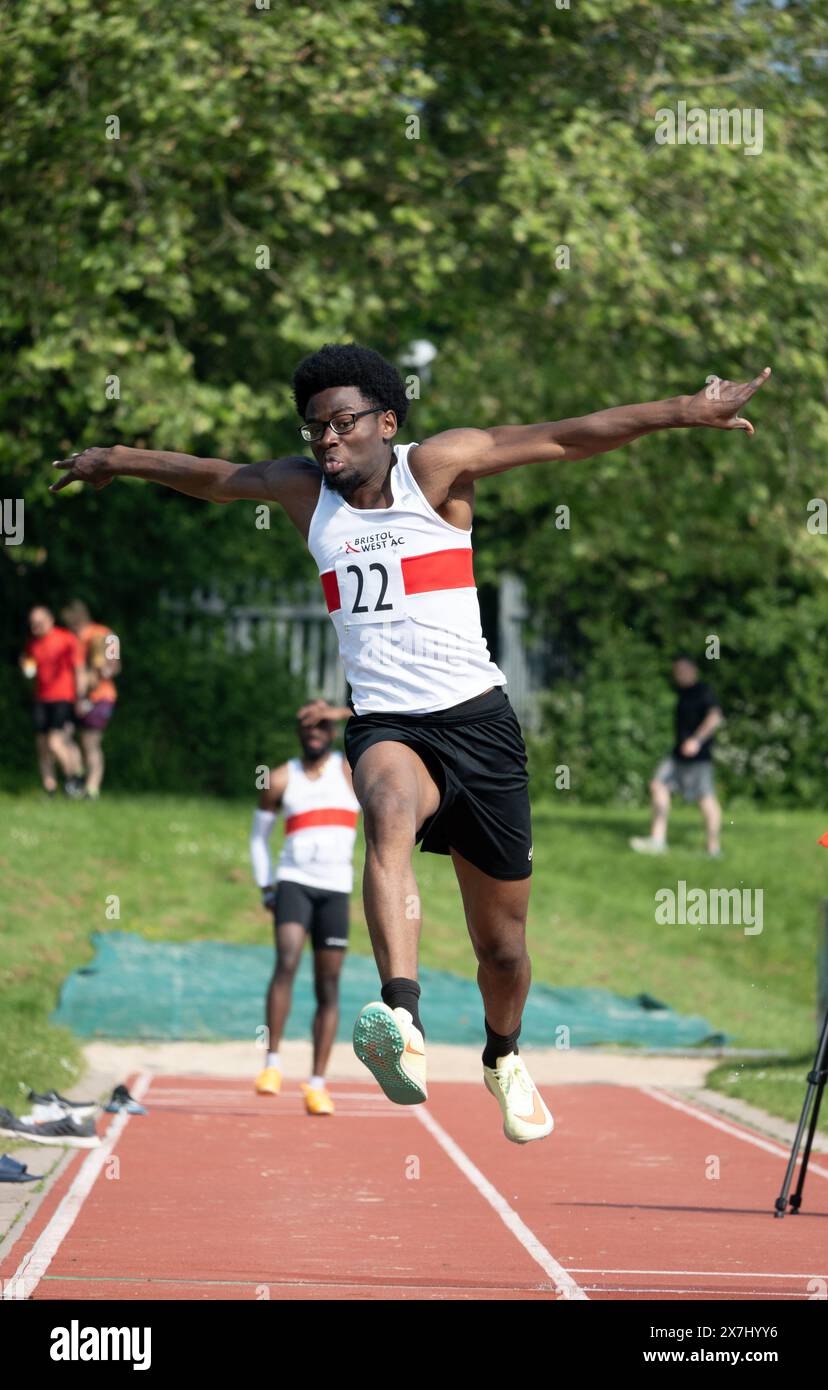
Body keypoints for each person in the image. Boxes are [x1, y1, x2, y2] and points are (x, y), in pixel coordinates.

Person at [50, 346, 770, 1143]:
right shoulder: (302, 491)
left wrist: (683, 410)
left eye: (344, 423)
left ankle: (503, 1055)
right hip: (389, 724)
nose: (327, 440)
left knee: (502, 948)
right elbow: (214, 478)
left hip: (479, 723)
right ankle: (402, 1015)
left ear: (386, 422)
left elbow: (568, 436)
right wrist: (113, 460)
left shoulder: (436, 468)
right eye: (316, 426)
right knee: (388, 807)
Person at [250, 702, 358, 1115]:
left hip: (335, 888)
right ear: (298, 731)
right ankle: (272, 1064)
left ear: (332, 731)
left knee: (327, 986)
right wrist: (266, 887)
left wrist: (338, 710)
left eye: (323, 726)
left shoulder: (349, 772)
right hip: (294, 883)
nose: (315, 732)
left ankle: (317, 1084)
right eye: (308, 726)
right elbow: (258, 838)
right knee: (287, 960)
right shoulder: (280, 778)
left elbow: (375, 718)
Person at [630, 654, 724, 857]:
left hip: (699, 757)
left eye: (682, 670)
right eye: (676, 671)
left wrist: (697, 740)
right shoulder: (683, 693)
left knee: (705, 798)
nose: (678, 674)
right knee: (658, 785)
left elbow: (715, 717)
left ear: (693, 670)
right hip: (677, 755)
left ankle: (713, 848)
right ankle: (657, 840)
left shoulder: (703, 691)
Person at [20, 607, 85, 798]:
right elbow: (30, 673)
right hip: (41, 698)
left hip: (63, 697)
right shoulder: (32, 644)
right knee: (42, 745)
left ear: (50, 620)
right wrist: (25, 666)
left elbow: (79, 669)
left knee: (56, 742)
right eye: (32, 623)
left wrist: (80, 697)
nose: (35, 626)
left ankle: (74, 778)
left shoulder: (66, 639)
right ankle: (50, 788)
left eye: (38, 622)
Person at [60, 600, 121, 800]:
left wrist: (83, 695)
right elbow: (114, 667)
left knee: (90, 742)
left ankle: (91, 787)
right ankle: (81, 779)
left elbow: (110, 668)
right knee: (68, 737)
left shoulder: (96, 635)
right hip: (89, 697)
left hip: (99, 697)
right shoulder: (105, 633)